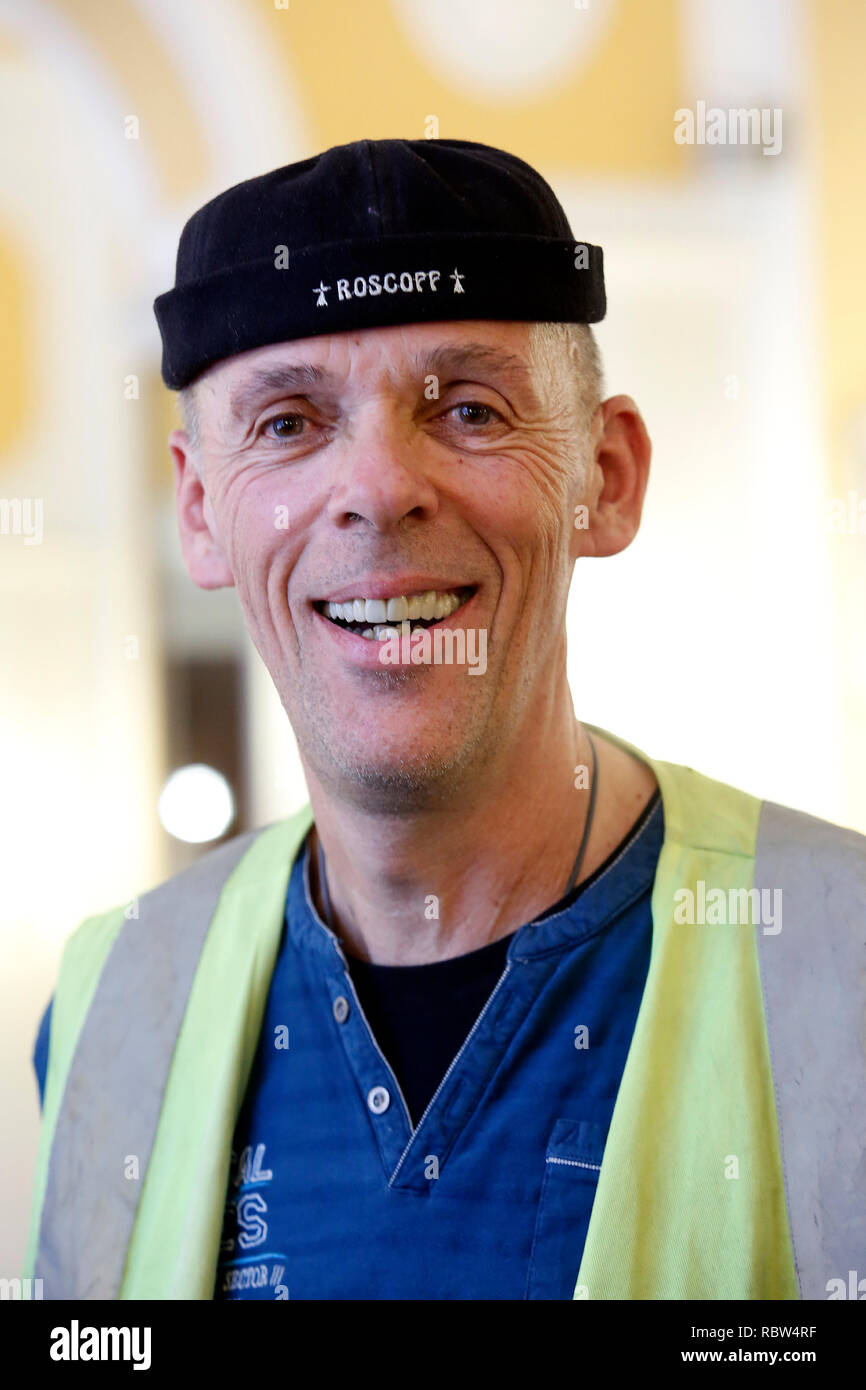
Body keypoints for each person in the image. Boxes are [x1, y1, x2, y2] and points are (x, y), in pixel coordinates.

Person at [24, 138, 866, 1301]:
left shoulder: (843, 956)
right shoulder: (112, 1004)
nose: (377, 488)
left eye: (467, 409)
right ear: (202, 508)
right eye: (285, 424)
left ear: (604, 476)